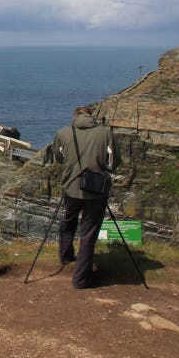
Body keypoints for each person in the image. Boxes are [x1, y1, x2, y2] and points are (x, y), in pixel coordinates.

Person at [52, 106, 120, 288]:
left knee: (68, 222)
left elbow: (58, 158)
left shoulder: (63, 133)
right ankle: (81, 279)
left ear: (75, 116)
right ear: (91, 116)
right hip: (96, 190)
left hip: (71, 188)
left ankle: (66, 257)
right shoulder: (105, 133)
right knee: (88, 232)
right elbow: (114, 163)